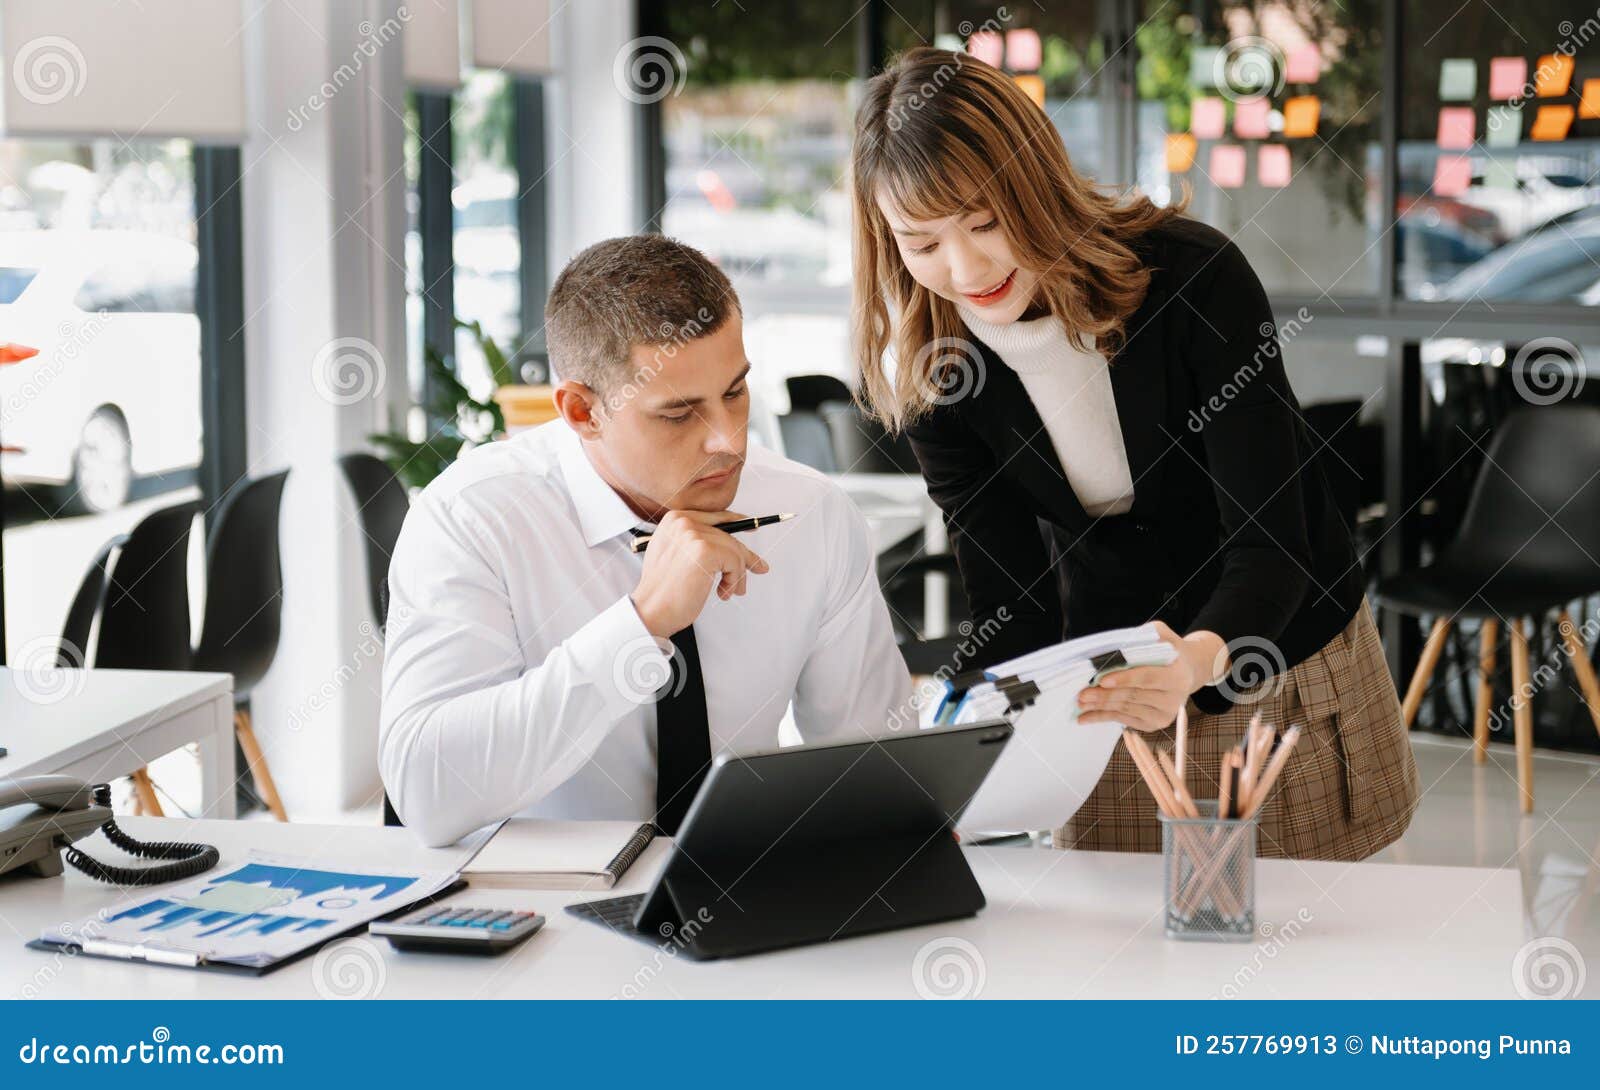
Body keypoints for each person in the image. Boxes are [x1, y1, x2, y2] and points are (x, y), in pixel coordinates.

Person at [849, 47, 1419, 861]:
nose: (965, 268)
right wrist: (969, 733)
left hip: (1276, 640)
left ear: (1034, 184)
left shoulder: (1193, 280)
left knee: (1302, 952)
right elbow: (1015, 600)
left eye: (985, 221)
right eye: (921, 241)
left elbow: (1271, 544)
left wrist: (1196, 660)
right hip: (1110, 683)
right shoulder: (942, 374)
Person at [381, 235, 911, 846]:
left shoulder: (810, 512)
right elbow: (425, 793)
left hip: (734, 897)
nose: (729, 441)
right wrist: (643, 623)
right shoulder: (474, 517)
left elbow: (873, 765)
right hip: (533, 907)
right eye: (680, 414)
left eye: (734, 392)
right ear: (582, 412)